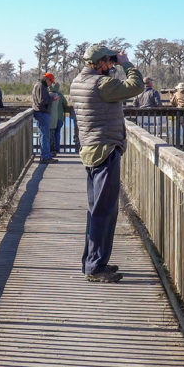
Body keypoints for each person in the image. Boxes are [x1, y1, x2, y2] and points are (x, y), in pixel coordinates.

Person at [70, 44, 144, 283]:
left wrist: (113, 67)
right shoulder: (101, 84)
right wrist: (126, 64)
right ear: (99, 63)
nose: (112, 64)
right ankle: (95, 267)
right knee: (104, 211)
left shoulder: (78, 82)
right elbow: (136, 87)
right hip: (105, 150)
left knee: (96, 209)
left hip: (90, 149)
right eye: (109, 61)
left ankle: (93, 261)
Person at [31, 73, 55, 163]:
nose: (51, 84)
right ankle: (45, 156)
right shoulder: (41, 86)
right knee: (45, 135)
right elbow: (42, 101)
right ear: (47, 79)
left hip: (41, 112)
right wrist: (52, 98)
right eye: (51, 82)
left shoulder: (39, 85)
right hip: (42, 113)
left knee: (44, 135)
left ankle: (45, 155)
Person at [47, 74, 68, 155]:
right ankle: (57, 149)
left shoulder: (48, 94)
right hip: (59, 118)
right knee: (57, 133)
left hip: (51, 118)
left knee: (50, 134)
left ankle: (50, 150)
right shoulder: (60, 95)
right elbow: (65, 104)